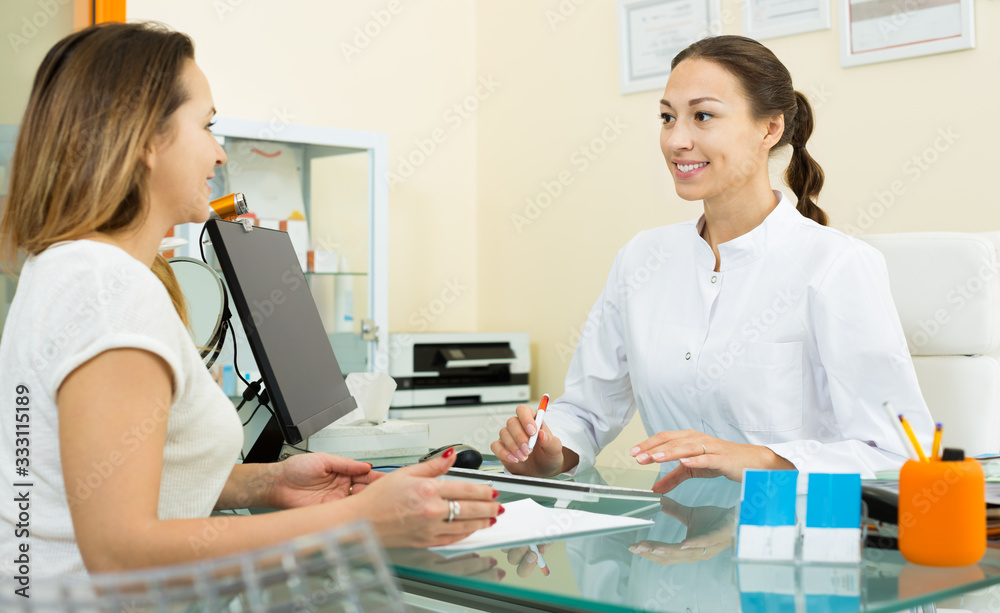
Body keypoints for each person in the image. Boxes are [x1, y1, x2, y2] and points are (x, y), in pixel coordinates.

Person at [0, 22, 500, 578]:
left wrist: (268, 483)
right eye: (207, 126)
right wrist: (361, 521)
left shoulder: (70, 269)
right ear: (144, 139)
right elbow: (120, 551)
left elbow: (107, 482)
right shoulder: (109, 289)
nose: (218, 154)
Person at [491, 35, 934, 492]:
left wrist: (761, 460)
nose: (676, 140)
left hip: (790, 529)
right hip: (669, 529)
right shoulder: (643, 258)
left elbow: (897, 455)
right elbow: (586, 412)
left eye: (703, 116)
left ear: (770, 129)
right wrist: (549, 451)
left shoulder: (837, 266)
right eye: (667, 118)